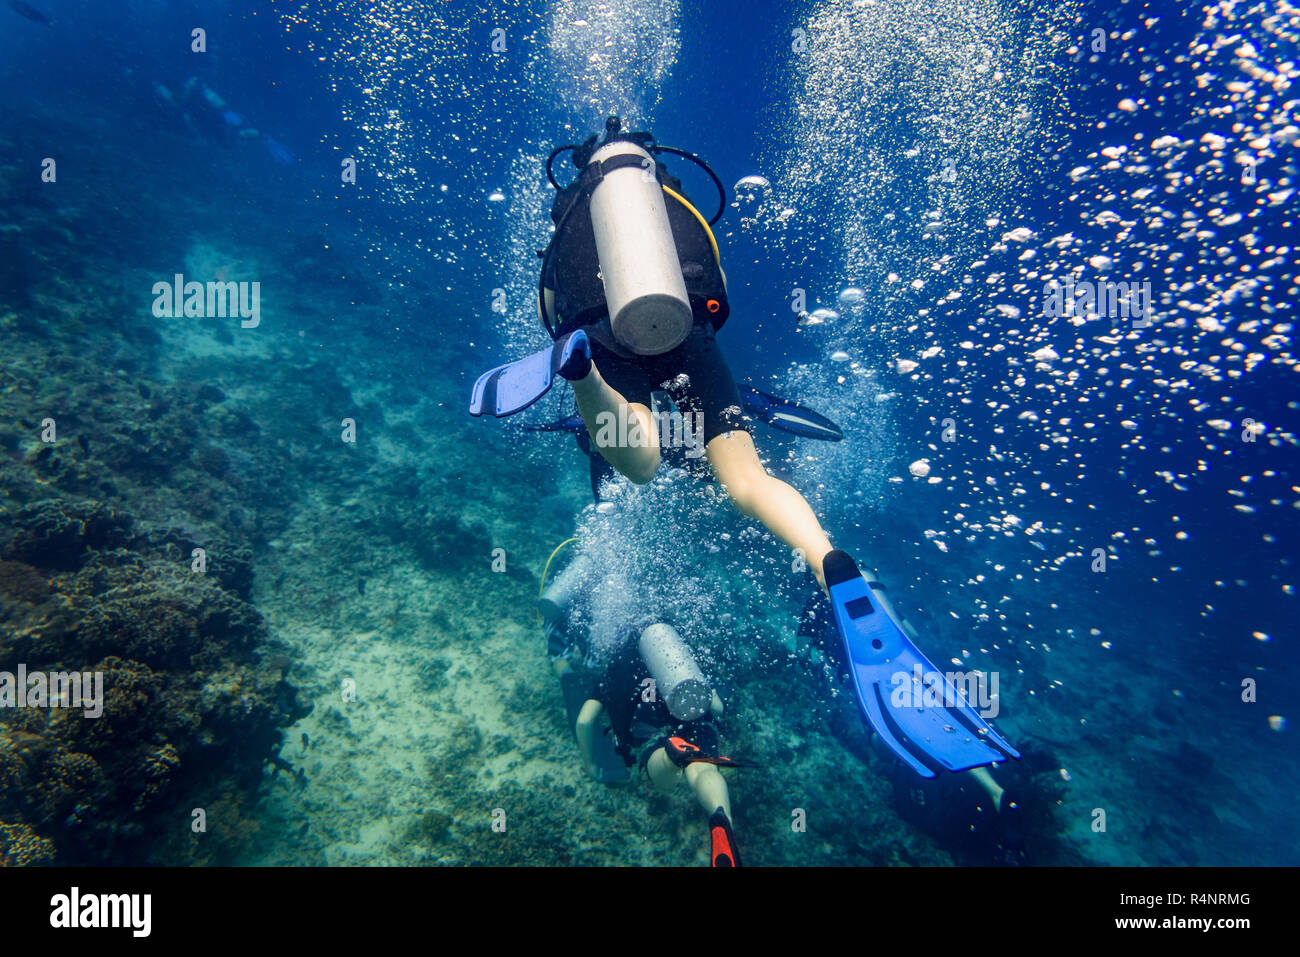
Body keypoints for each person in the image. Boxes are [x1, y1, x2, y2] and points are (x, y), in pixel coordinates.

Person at [472, 116, 1019, 779]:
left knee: (640, 458)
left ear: (581, 169)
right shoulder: (671, 201)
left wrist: (579, 340)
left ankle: (581, 371)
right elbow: (713, 283)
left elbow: (550, 303)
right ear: (654, 165)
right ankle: (828, 559)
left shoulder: (574, 212)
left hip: (603, 332)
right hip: (687, 331)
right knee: (748, 480)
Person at [539, 546, 746, 868]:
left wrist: (593, 765)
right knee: (705, 768)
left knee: (665, 777)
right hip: (688, 701)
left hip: (647, 718)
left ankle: (672, 754)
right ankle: (722, 820)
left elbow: (585, 719)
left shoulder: (615, 665)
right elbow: (715, 705)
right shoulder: (677, 651)